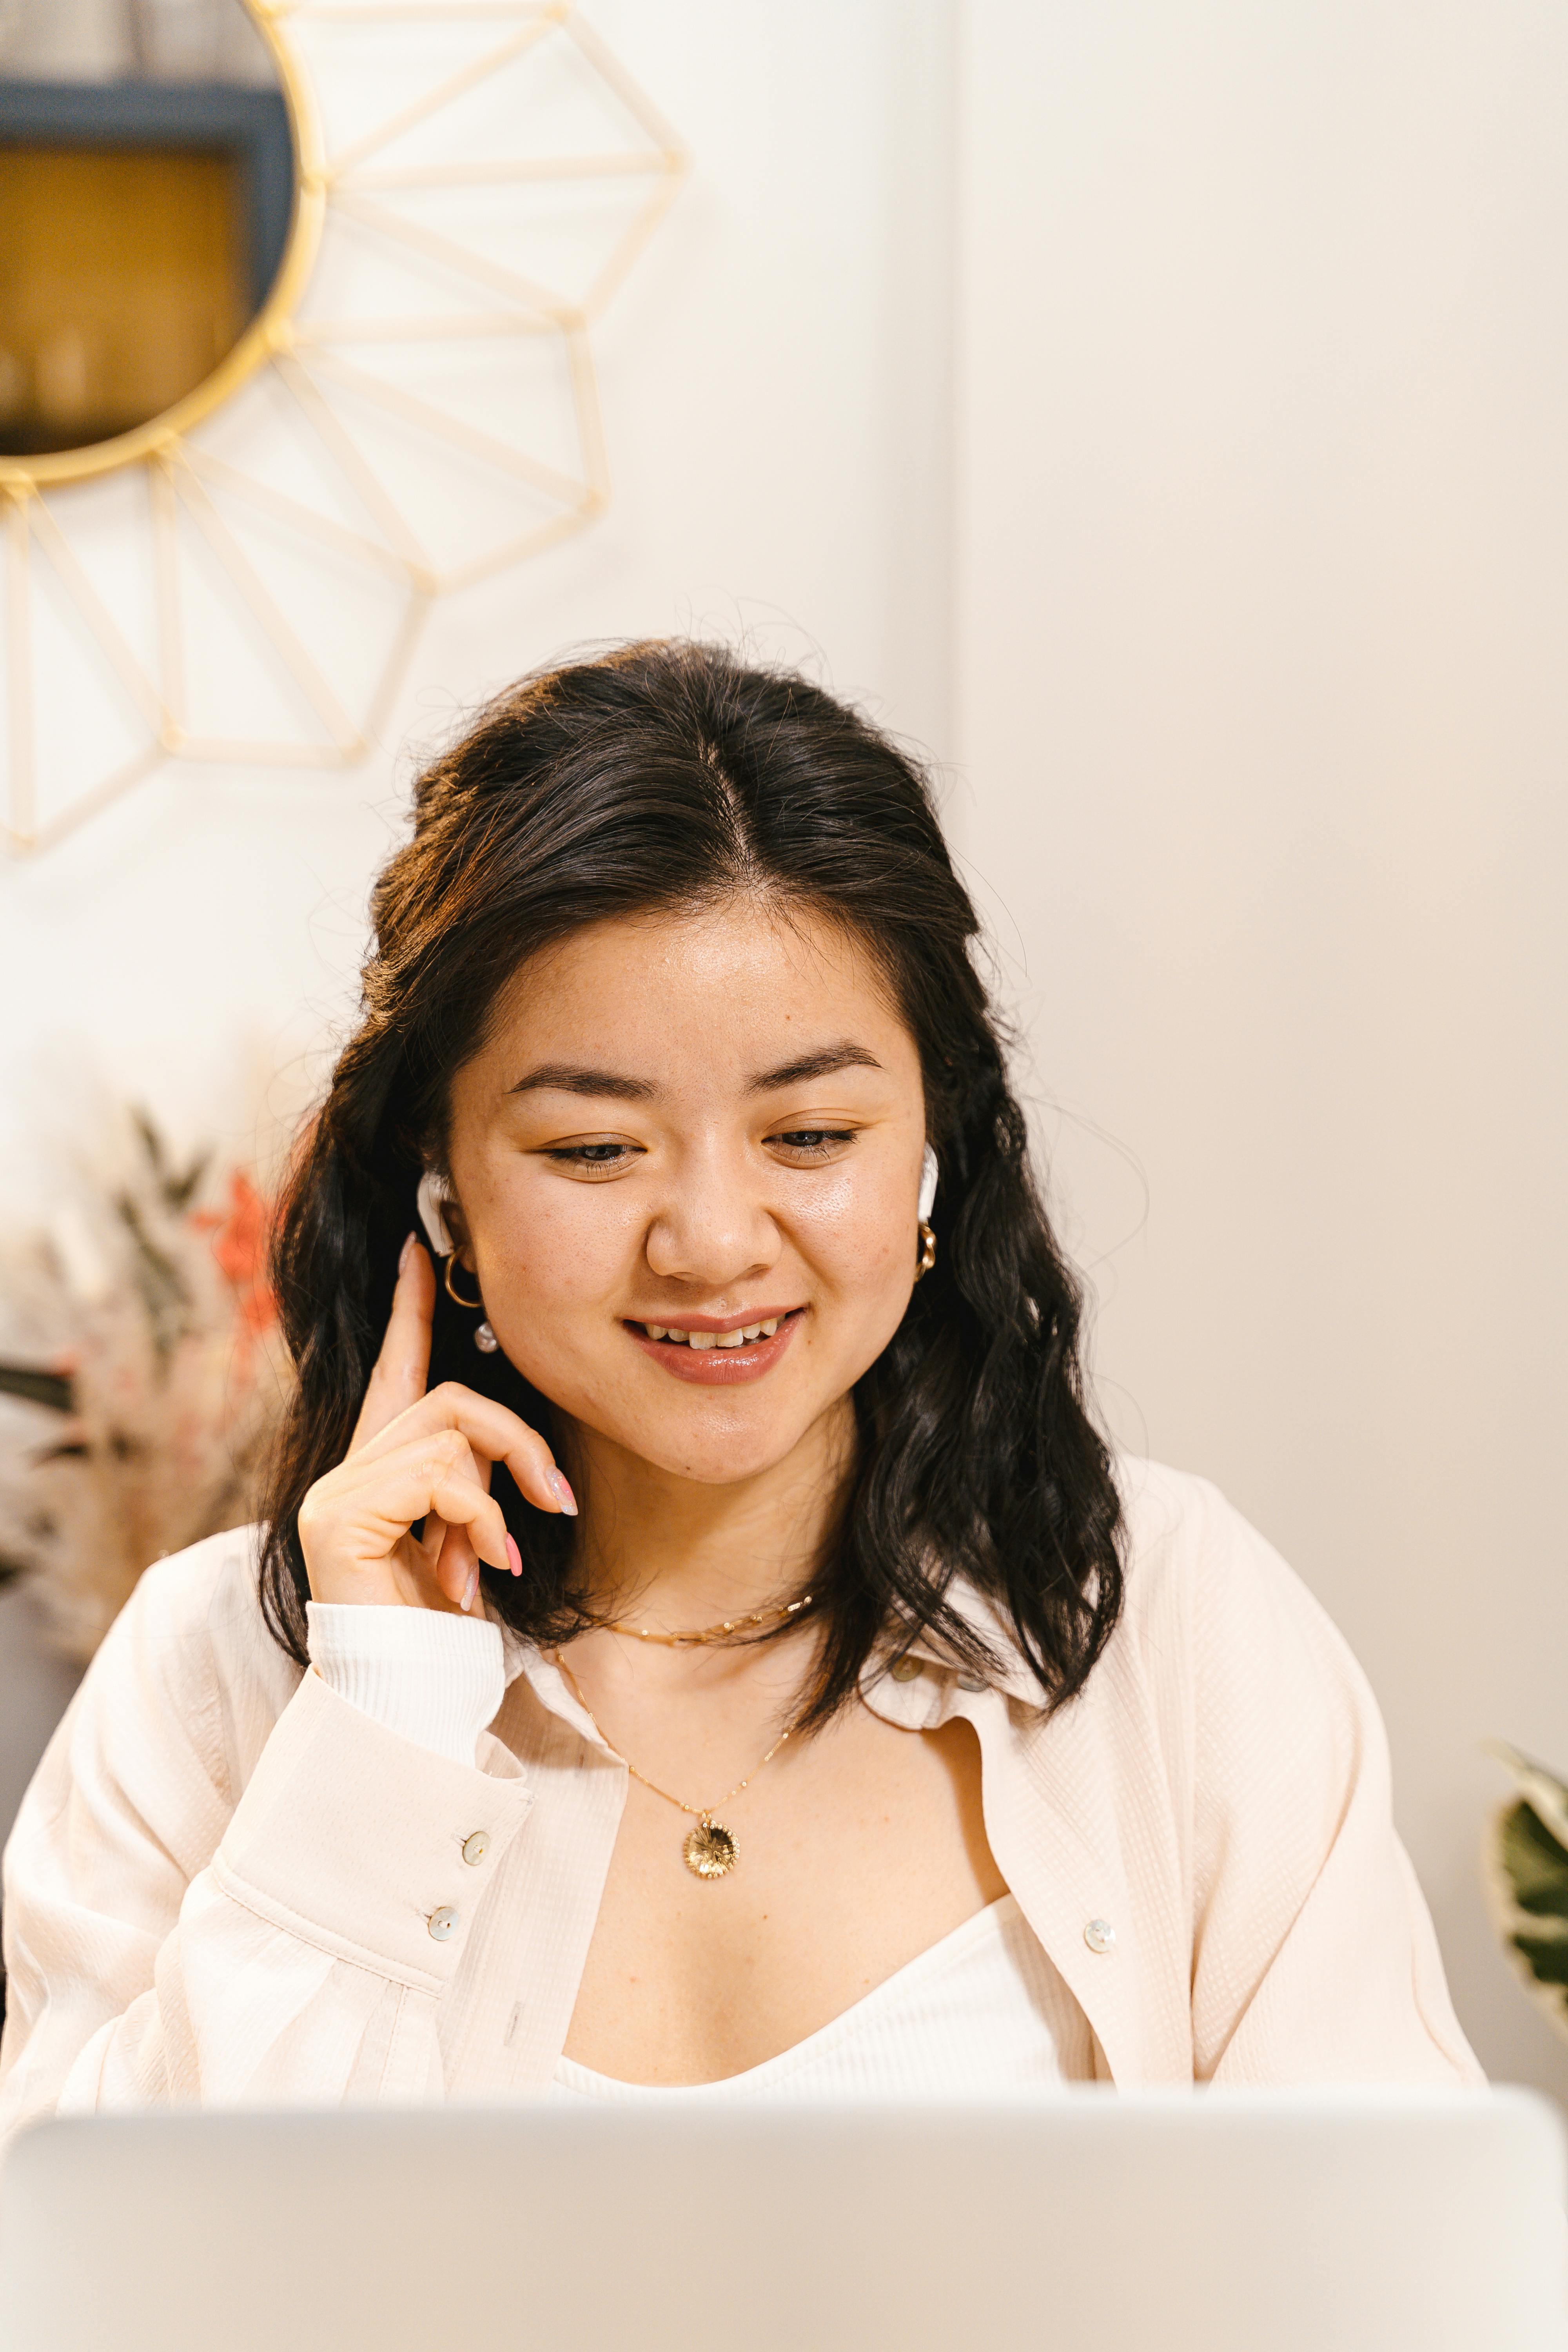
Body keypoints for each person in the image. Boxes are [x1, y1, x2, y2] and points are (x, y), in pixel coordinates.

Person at [0, 641, 1478, 2127]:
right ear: (443, 1192)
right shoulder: (214, 1671)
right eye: (594, 1149)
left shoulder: (1168, 1620)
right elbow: (97, 2250)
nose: (712, 1245)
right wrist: (381, 1720)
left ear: (936, 1154)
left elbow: (1381, 2241)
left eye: (812, 1136)